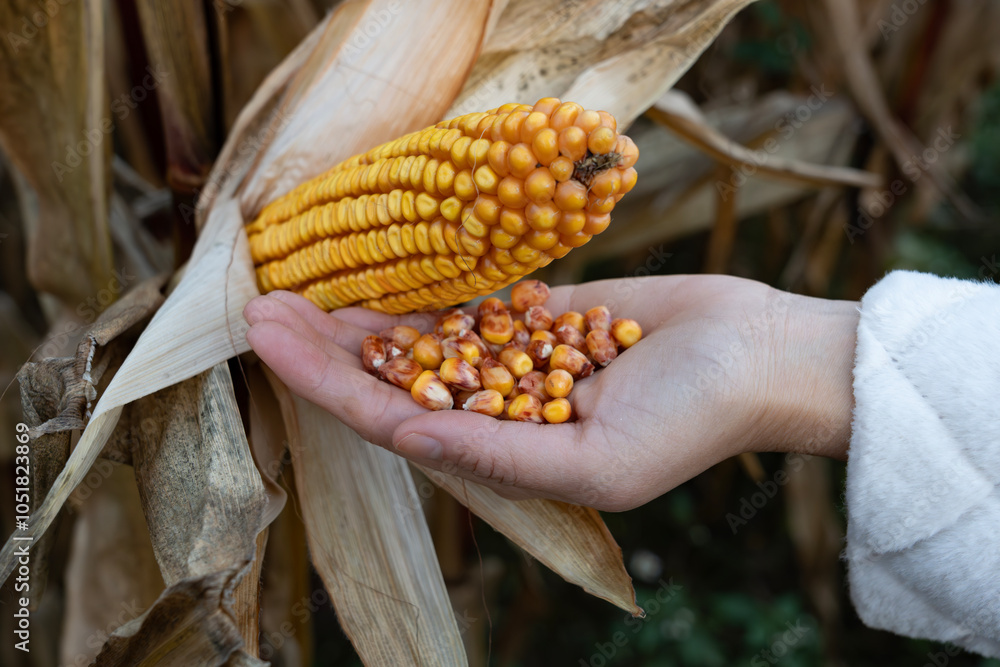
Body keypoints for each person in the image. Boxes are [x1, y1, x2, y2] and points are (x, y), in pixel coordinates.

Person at [242, 270, 1000, 658]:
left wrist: (777, 353)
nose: (524, 338)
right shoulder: (511, 355)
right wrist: (786, 349)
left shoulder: (531, 355)